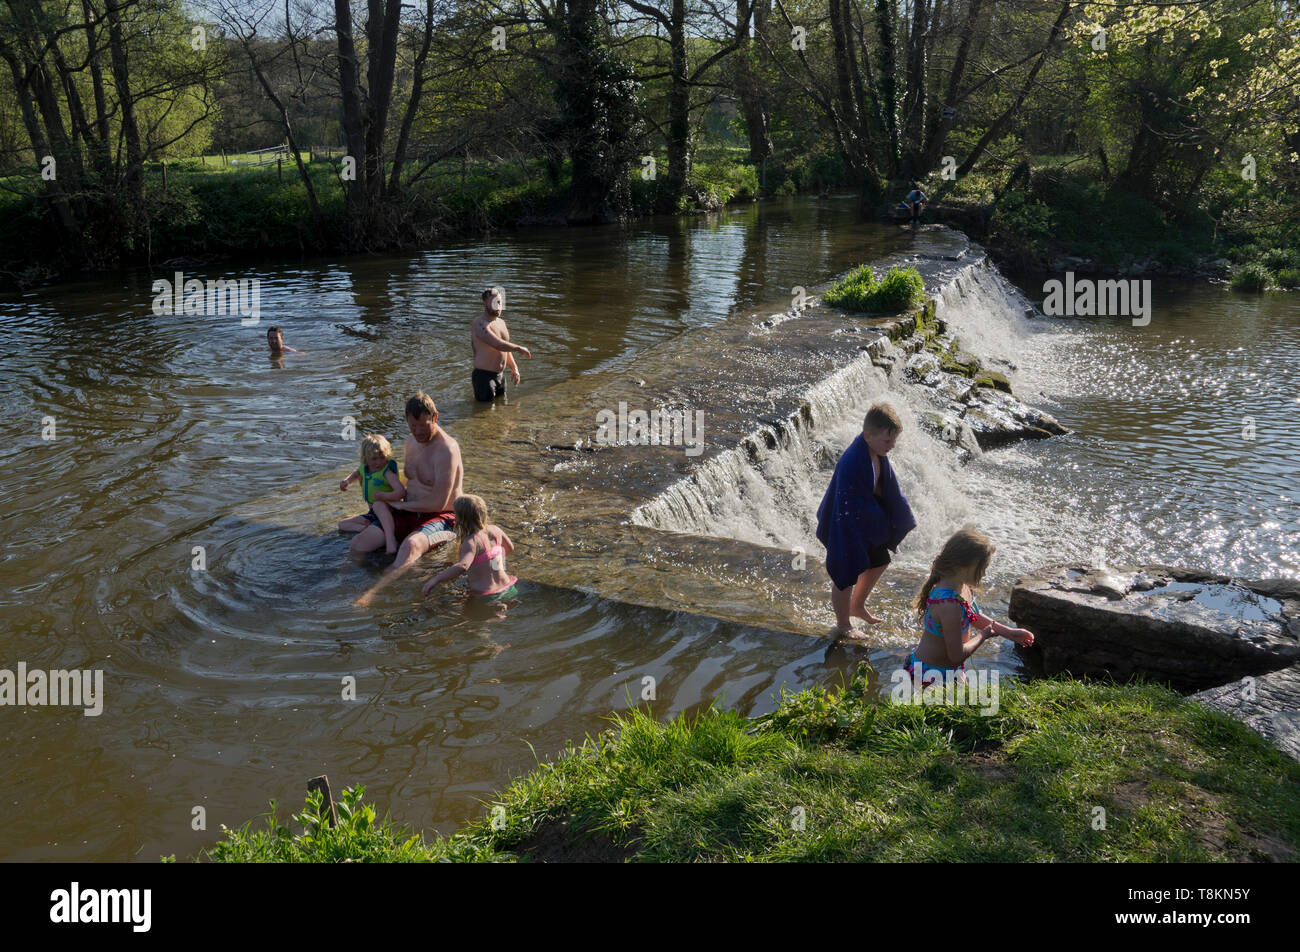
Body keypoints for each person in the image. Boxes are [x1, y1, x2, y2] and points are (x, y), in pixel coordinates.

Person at [816, 402, 916, 638]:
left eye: (893, 441)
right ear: (868, 434)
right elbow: (847, 503)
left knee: (880, 560)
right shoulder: (853, 461)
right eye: (887, 441)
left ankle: (857, 606)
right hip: (846, 525)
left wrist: (893, 513)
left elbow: (884, 488)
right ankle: (843, 625)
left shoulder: (876, 452)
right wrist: (861, 529)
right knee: (846, 572)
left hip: (865, 523)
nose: (891, 446)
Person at [353, 392, 464, 605]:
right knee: (360, 543)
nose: (419, 432)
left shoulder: (446, 450)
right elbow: (408, 479)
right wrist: (382, 493)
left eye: (424, 425)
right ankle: (343, 582)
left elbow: (438, 502)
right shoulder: (410, 442)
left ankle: (371, 593)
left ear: (435, 417)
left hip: (442, 516)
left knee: (410, 546)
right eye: (413, 426)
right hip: (409, 509)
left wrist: (396, 504)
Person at [907, 528, 1035, 680]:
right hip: (929, 675)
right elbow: (957, 656)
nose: (984, 574)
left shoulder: (961, 587)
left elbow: (972, 615)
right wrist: (983, 636)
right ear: (966, 566)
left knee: (966, 702)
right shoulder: (949, 605)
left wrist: (1009, 632)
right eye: (983, 568)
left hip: (949, 670)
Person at [421, 494, 518, 601]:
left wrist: (436, 579)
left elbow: (462, 566)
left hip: (485, 594)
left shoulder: (471, 541)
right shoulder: (496, 530)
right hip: (508, 587)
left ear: (460, 519)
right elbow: (509, 548)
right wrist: (493, 566)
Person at [338, 434, 405, 555]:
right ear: (365, 458)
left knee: (379, 504)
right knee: (342, 524)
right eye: (374, 459)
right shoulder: (364, 468)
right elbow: (356, 473)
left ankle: (391, 540)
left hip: (390, 510)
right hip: (373, 513)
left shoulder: (386, 472)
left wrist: (384, 496)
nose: (379, 462)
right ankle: (365, 529)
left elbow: (401, 492)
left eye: (382, 457)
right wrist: (346, 481)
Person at [471, 286, 531, 402]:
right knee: (484, 414)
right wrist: (518, 348)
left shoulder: (502, 323)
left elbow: (505, 349)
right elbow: (497, 344)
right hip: (484, 377)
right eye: (494, 302)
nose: (498, 305)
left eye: (499, 302)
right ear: (484, 304)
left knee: (502, 407)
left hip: (500, 376)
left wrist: (514, 368)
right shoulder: (479, 323)